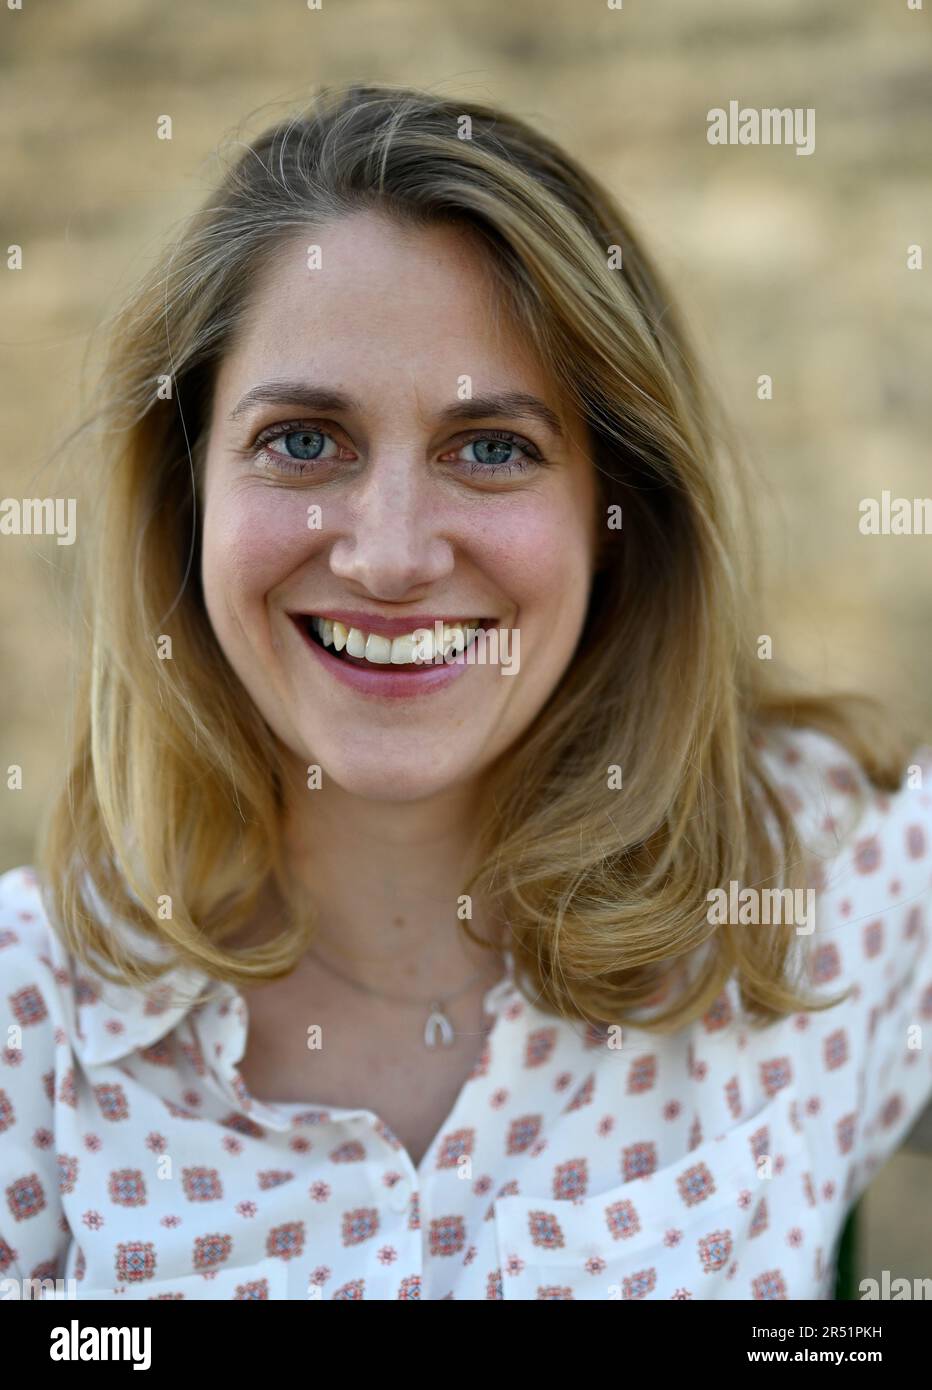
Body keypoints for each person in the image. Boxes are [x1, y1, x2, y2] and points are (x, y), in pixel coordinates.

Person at [1, 83, 930, 1302]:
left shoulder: (819, 876)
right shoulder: (33, 1020)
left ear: (615, 520)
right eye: (303, 441)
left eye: (491, 449)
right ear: (188, 499)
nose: (388, 556)